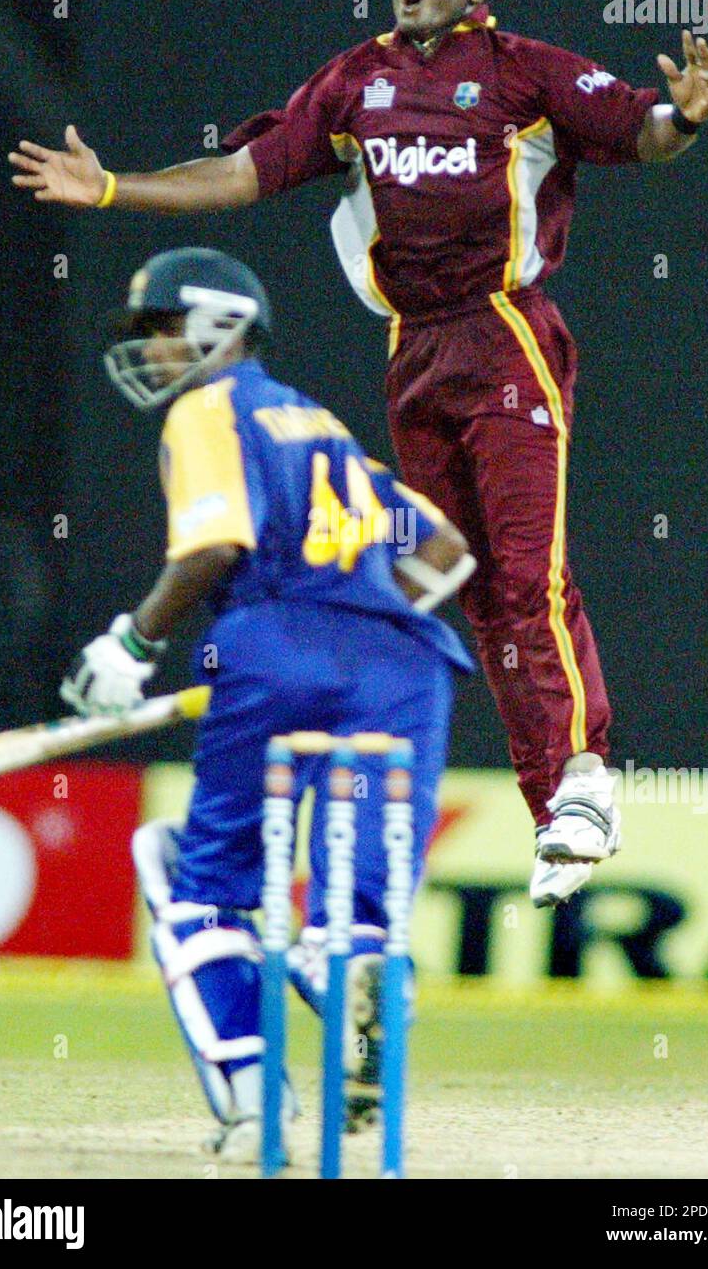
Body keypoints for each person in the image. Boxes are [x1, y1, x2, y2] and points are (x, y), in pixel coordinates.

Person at [9, 0, 708, 907]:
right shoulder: (355, 82)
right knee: (448, 577)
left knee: (525, 568)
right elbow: (250, 171)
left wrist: (679, 121)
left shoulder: (524, 72)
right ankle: (531, 802)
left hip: (503, 332)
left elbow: (637, 133)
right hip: (415, 350)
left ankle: (583, 780)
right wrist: (115, 188)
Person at [60, 245, 474, 1161]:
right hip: (408, 667)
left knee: (195, 885)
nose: (154, 352)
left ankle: (257, 1114)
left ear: (217, 324)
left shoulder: (209, 409)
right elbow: (447, 549)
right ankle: (356, 979)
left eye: (163, 329)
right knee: (356, 909)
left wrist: (131, 645)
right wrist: (358, 616)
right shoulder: (320, 424)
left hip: (274, 645)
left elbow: (213, 547)